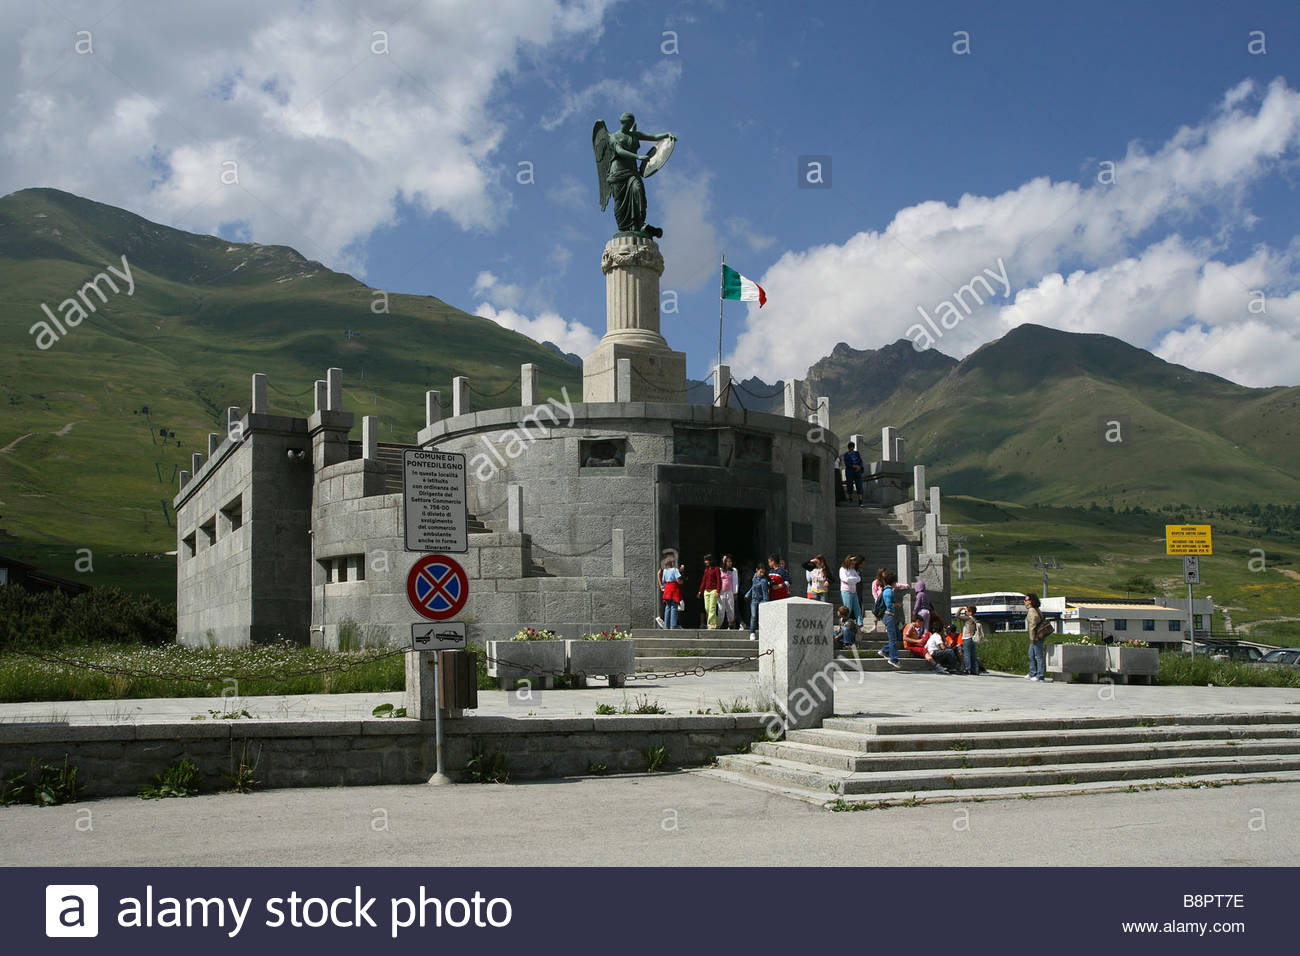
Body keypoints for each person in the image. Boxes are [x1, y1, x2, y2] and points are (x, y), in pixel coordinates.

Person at [876, 571, 906, 668]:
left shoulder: (887, 590)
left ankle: (884, 650)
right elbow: (889, 605)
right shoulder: (888, 591)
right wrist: (897, 604)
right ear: (893, 582)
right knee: (893, 639)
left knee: (897, 636)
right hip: (889, 616)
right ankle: (893, 659)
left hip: (889, 616)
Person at [1025, 593, 1049, 681]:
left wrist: (1032, 638)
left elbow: (1033, 624)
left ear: (1030, 601)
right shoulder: (1036, 609)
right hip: (1038, 635)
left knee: (1038, 656)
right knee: (1031, 654)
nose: (1025, 602)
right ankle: (1032, 673)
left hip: (1036, 636)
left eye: (1026, 600)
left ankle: (1040, 675)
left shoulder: (1032, 610)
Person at [744, 564, 769, 640]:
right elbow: (753, 587)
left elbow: (765, 593)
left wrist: (765, 602)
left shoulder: (764, 581)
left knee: (761, 616)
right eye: (760, 572)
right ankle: (752, 632)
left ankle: (763, 632)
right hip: (754, 599)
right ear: (756, 570)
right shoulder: (754, 577)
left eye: (763, 572)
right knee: (753, 616)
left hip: (761, 600)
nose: (762, 574)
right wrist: (748, 594)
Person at [698, 554, 721, 629]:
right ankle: (718, 622)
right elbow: (703, 581)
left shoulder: (716, 569)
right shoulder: (706, 570)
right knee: (707, 608)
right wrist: (700, 591)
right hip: (706, 592)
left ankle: (711, 626)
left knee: (712, 609)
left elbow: (719, 581)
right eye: (705, 560)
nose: (705, 562)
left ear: (711, 560)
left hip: (713, 591)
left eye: (707, 560)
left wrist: (718, 591)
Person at [659, 557, 682, 629]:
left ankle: (666, 625)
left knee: (667, 607)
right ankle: (673, 626)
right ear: (672, 563)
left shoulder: (665, 571)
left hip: (667, 589)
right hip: (674, 588)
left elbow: (663, 581)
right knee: (674, 607)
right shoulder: (675, 570)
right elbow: (678, 580)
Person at [960, 605, 984, 675]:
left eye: (966, 611)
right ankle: (975, 670)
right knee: (973, 655)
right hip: (972, 638)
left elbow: (957, 616)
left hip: (967, 638)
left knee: (967, 654)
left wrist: (960, 609)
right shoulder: (974, 619)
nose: (965, 612)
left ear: (970, 613)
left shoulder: (968, 618)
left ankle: (968, 669)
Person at [839, 555, 862, 625]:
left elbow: (859, 579)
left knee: (857, 608)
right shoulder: (842, 569)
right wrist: (854, 579)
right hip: (846, 591)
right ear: (848, 562)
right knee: (848, 608)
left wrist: (851, 579)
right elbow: (845, 579)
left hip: (853, 591)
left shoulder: (853, 570)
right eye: (852, 563)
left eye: (854, 564)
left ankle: (860, 623)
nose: (853, 565)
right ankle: (844, 623)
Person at [718, 554, 738, 629]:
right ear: (724, 562)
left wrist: (735, 592)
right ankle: (719, 625)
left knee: (730, 608)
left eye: (730, 561)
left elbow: (735, 581)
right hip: (721, 592)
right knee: (721, 609)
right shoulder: (720, 570)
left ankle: (730, 625)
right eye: (728, 561)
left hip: (730, 592)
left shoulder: (734, 570)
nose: (730, 563)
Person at [842, 441, 865, 506]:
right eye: (851, 447)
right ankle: (851, 497)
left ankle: (860, 500)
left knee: (859, 485)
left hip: (856, 471)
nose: (852, 449)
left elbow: (860, 461)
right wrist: (857, 466)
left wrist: (859, 467)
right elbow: (847, 464)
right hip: (850, 471)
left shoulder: (856, 453)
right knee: (850, 484)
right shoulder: (846, 455)